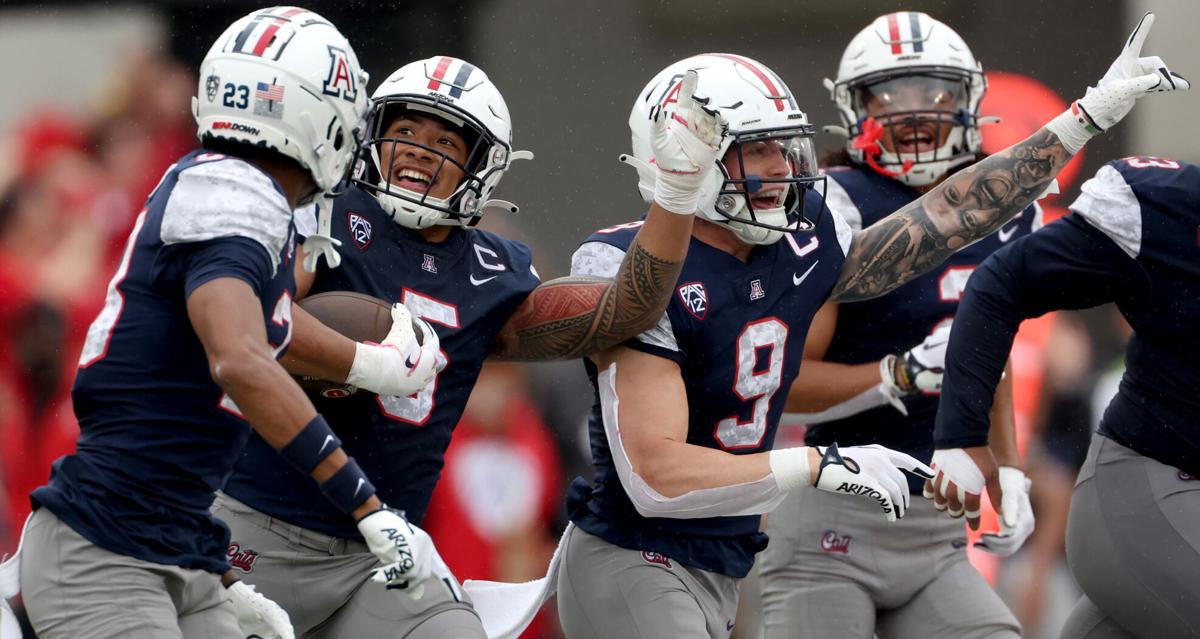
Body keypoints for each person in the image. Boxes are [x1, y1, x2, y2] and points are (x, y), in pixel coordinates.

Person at [555, 18, 1185, 636]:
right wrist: (826, 452)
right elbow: (653, 477)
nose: (781, 169)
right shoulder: (623, 266)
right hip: (642, 547)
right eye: (758, 150)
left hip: (737, 549)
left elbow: (952, 211)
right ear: (686, 157)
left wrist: (1085, 118)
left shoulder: (800, 246)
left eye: (785, 146)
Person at [211, 55, 704, 638]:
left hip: (380, 554)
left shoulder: (494, 273)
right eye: (405, 132)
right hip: (253, 527)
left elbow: (626, 309)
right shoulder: (324, 215)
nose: (421, 149)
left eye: (445, 140)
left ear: (483, 167)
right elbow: (254, 321)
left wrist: (675, 195)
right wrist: (364, 362)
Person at [1, 8, 447, 638]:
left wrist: (363, 361)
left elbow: (251, 347)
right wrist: (364, 503)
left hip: (179, 548)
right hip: (105, 552)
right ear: (312, 115)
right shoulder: (233, 198)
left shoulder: (236, 195)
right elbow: (239, 360)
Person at [757, 13, 1037, 639]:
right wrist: (899, 374)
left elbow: (990, 355)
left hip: (937, 524)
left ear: (967, 99)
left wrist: (1006, 469)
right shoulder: (836, 206)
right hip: (834, 513)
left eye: (930, 92)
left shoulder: (1001, 205)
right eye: (890, 96)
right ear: (855, 108)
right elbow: (783, 383)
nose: (912, 114)